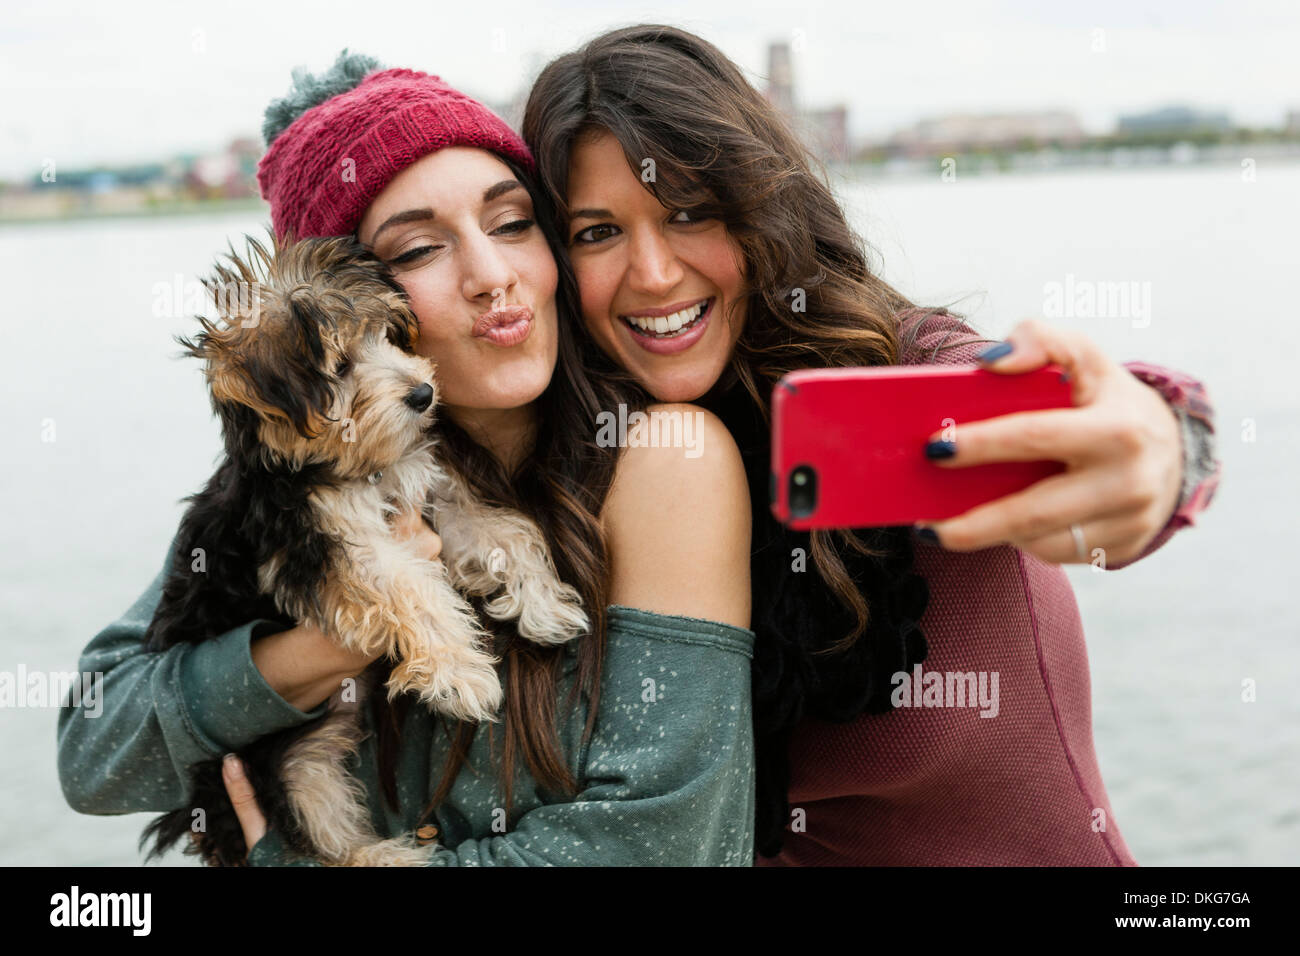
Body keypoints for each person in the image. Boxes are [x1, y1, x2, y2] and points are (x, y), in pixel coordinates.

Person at [521, 24, 1222, 864]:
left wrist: (1161, 443)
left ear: (757, 209)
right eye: (598, 232)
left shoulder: (896, 375)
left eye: (689, 213)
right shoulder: (592, 465)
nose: (655, 273)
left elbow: (1104, 421)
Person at [57, 58, 756, 866]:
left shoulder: (664, 462)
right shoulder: (287, 485)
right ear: (338, 308)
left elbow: (662, 844)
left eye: (513, 222)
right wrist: (327, 646)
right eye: (422, 248)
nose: (493, 277)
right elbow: (93, 753)